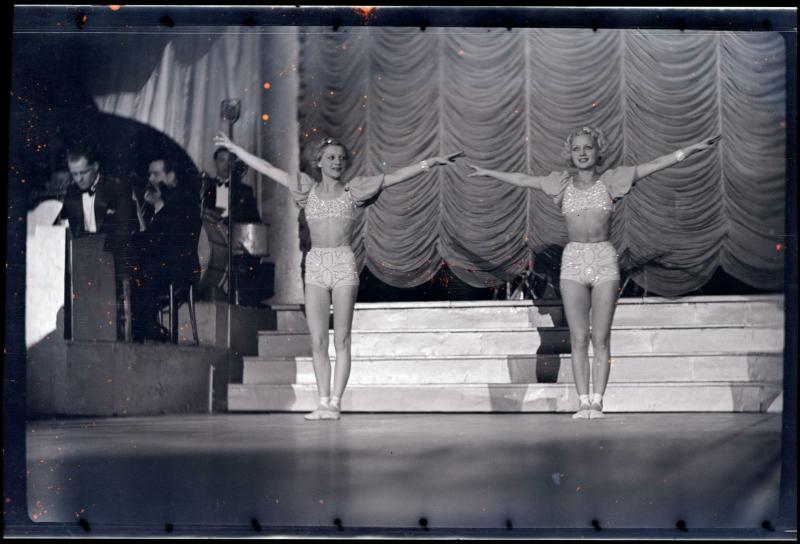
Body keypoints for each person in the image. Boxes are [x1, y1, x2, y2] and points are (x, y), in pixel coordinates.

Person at [468, 127, 720, 419]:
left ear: (598, 151)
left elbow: (652, 166)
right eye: (577, 149)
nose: (583, 153)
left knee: (600, 338)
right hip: (573, 261)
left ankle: (597, 402)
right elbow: (524, 179)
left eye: (588, 147)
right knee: (578, 338)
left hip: (603, 260)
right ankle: (583, 402)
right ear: (570, 154)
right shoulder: (560, 184)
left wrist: (689, 149)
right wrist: (488, 171)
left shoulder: (612, 181)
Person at [214, 132, 461, 420]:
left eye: (341, 158)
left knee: (341, 339)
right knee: (318, 340)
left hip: (343, 263)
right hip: (316, 264)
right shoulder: (305, 188)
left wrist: (430, 162)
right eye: (330, 157)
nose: (337, 162)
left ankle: (335, 402)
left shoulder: (354, 190)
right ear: (318, 162)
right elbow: (268, 169)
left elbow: (395, 177)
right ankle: (322, 402)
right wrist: (234, 147)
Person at [59, 142, 137, 339]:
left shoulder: (117, 188)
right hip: (84, 257)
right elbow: (70, 229)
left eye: (83, 173)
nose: (78, 179)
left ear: (95, 167)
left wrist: (97, 247)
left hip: (113, 255)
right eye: (74, 174)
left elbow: (125, 230)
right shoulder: (71, 193)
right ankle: (80, 337)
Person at [129, 158, 202, 342]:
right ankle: (144, 327)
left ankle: (145, 327)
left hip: (179, 268)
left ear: (170, 176)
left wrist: (159, 206)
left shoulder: (185, 198)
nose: (151, 178)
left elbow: (175, 238)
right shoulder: (154, 198)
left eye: (156, 174)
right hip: (158, 265)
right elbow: (148, 239)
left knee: (143, 272)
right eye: (149, 174)